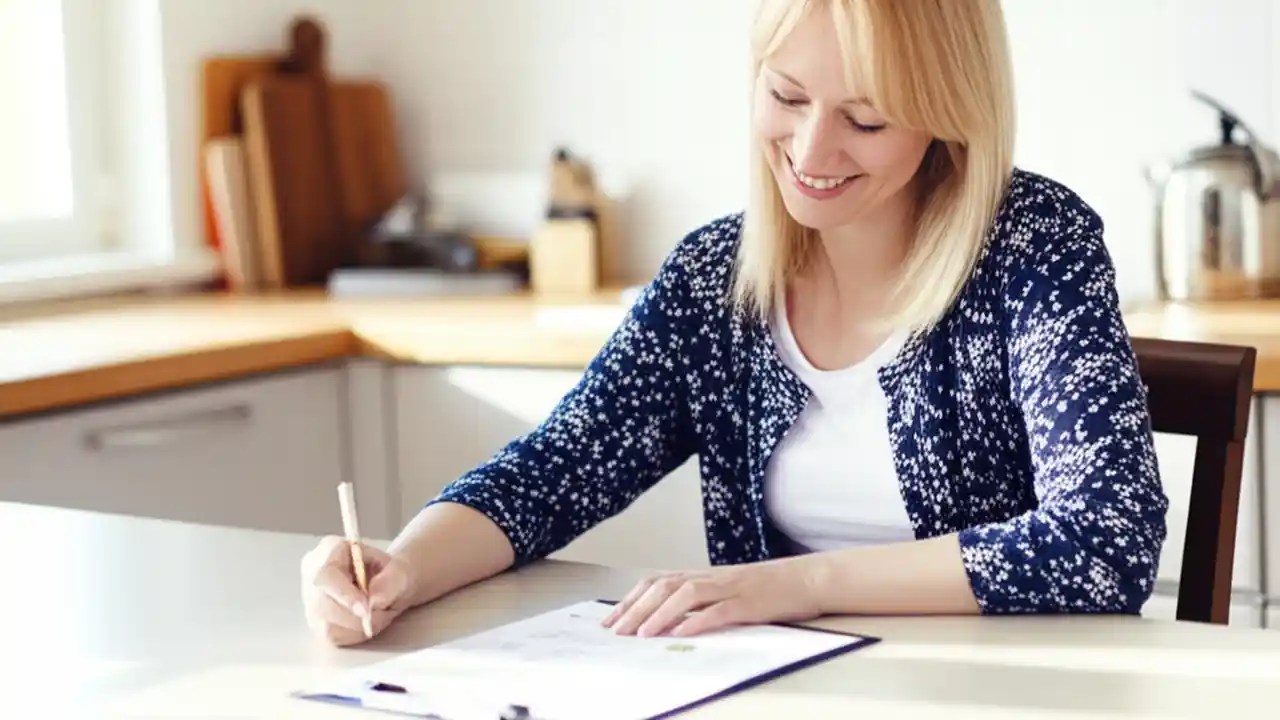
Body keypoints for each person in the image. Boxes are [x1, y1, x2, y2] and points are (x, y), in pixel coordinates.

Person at [301, 0, 1168, 646]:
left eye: (865, 119)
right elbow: (553, 472)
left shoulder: (1035, 245)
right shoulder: (714, 279)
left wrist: (798, 586)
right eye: (787, 96)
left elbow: (1104, 541)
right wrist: (403, 566)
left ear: (947, 117)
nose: (813, 151)